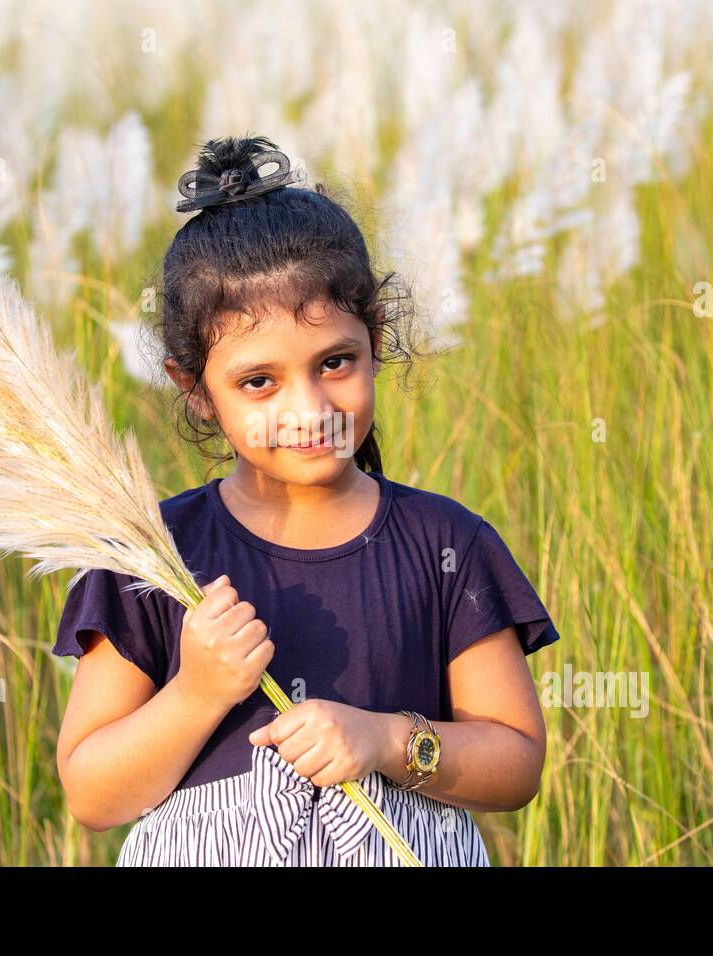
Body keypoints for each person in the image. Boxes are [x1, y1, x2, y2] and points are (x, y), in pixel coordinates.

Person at [54, 134, 560, 866]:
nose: (309, 407)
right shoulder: (153, 558)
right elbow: (92, 796)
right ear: (194, 389)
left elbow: (515, 763)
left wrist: (384, 739)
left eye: (334, 363)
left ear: (375, 339)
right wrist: (197, 692)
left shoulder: (447, 545)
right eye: (259, 381)